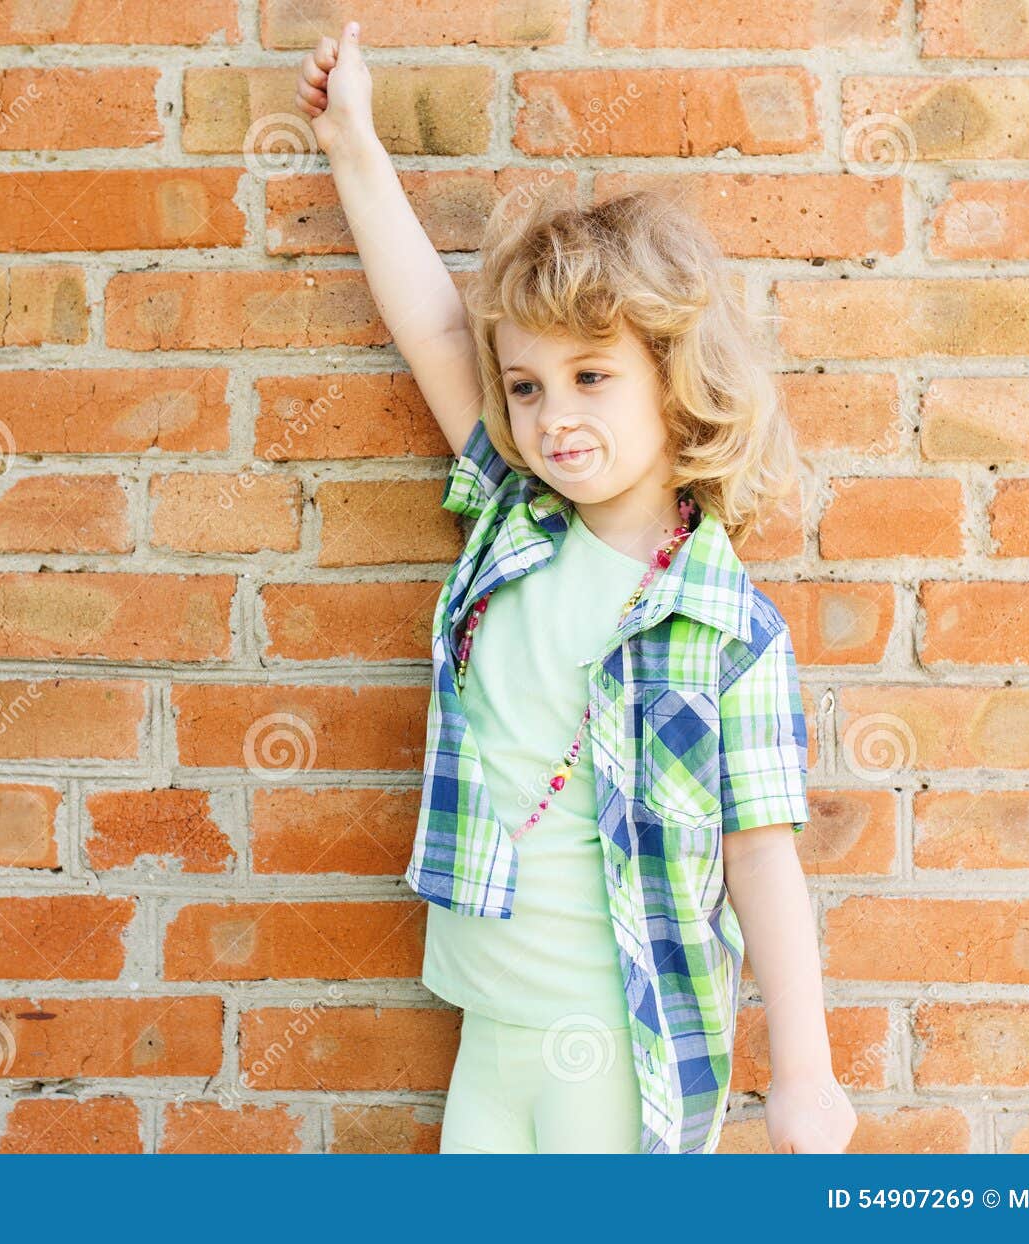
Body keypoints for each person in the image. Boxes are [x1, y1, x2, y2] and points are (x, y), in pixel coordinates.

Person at [293, 22, 857, 1155]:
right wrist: (351, 137)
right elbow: (436, 324)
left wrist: (804, 1075)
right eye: (528, 385)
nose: (555, 418)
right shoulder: (514, 512)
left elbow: (760, 854)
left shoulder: (724, 626)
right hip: (489, 1028)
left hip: (615, 1043)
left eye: (592, 376)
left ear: (671, 376)